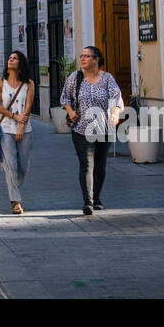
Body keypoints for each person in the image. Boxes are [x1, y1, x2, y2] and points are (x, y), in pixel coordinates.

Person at [61, 45, 124, 215]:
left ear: (96, 59)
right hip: (81, 129)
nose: (82, 58)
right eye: (82, 55)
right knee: (86, 164)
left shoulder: (107, 78)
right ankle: (87, 202)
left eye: (87, 56)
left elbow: (116, 98)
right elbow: (65, 97)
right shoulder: (75, 78)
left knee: (100, 164)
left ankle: (96, 197)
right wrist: (71, 112)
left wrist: (115, 113)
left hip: (104, 128)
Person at [0, 51, 34, 215]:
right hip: (5, 128)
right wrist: (14, 116)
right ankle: (16, 201)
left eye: (15, 58)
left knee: (22, 167)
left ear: (21, 63)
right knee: (11, 166)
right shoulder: (0, 82)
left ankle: (13, 189)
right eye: (9, 58)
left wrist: (21, 127)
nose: (11, 60)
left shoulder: (29, 83)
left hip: (25, 129)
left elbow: (28, 107)